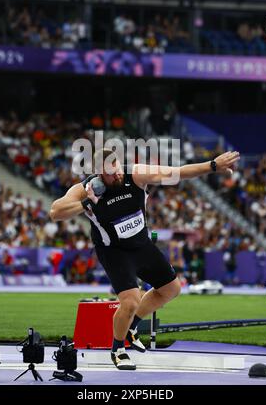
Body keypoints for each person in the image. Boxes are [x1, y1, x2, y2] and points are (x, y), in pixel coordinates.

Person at [50, 148, 240, 370]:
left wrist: (213, 166)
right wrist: (87, 203)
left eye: (118, 168)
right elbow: (55, 212)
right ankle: (118, 349)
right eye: (110, 173)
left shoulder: (136, 175)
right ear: (99, 173)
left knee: (171, 289)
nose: (117, 175)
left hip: (141, 245)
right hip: (114, 251)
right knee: (131, 301)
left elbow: (177, 172)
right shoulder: (86, 189)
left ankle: (132, 327)